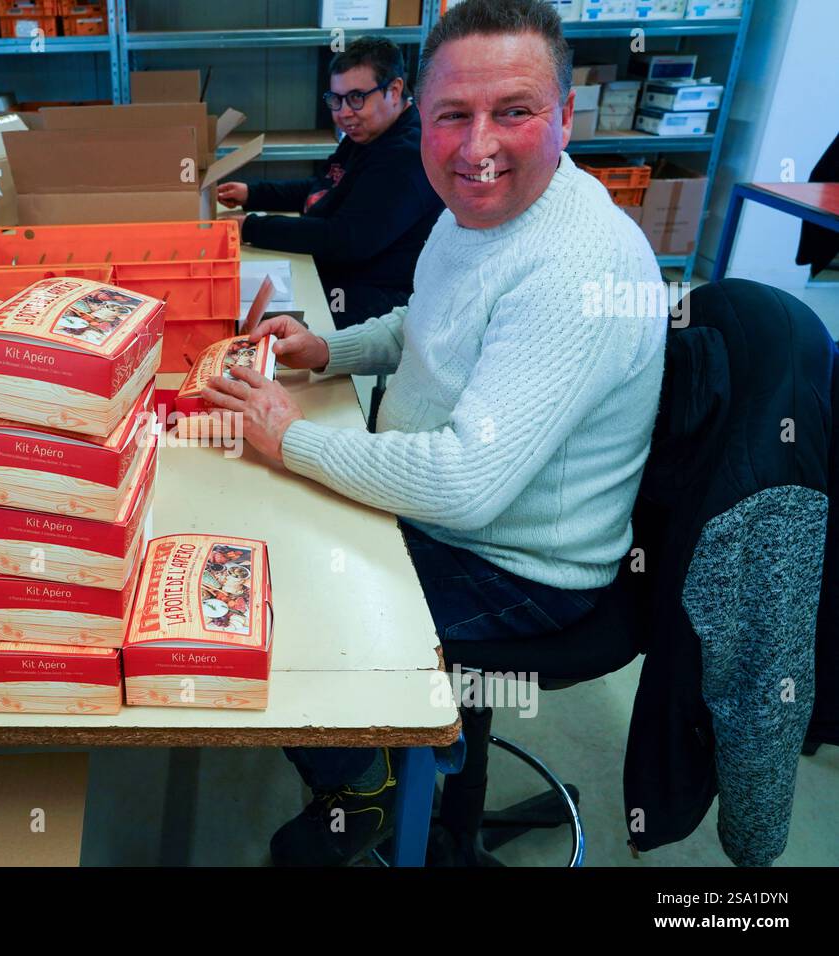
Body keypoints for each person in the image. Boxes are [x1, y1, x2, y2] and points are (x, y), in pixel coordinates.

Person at [201, 0, 668, 866]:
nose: (476, 145)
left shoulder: (576, 266)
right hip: (458, 516)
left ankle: (366, 784)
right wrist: (327, 348)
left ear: (565, 116)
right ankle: (395, 763)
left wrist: (289, 438)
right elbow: (429, 319)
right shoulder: (479, 212)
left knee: (273, 605)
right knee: (272, 534)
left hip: (522, 566)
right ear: (423, 114)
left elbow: (462, 482)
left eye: (514, 111)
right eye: (453, 115)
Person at [218, 37, 444, 330]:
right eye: (336, 99)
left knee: (253, 321)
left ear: (394, 89)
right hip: (340, 267)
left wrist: (251, 227)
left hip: (375, 294)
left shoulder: (407, 155)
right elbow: (322, 188)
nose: (343, 113)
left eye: (356, 97)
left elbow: (343, 239)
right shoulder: (366, 134)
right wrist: (253, 195)